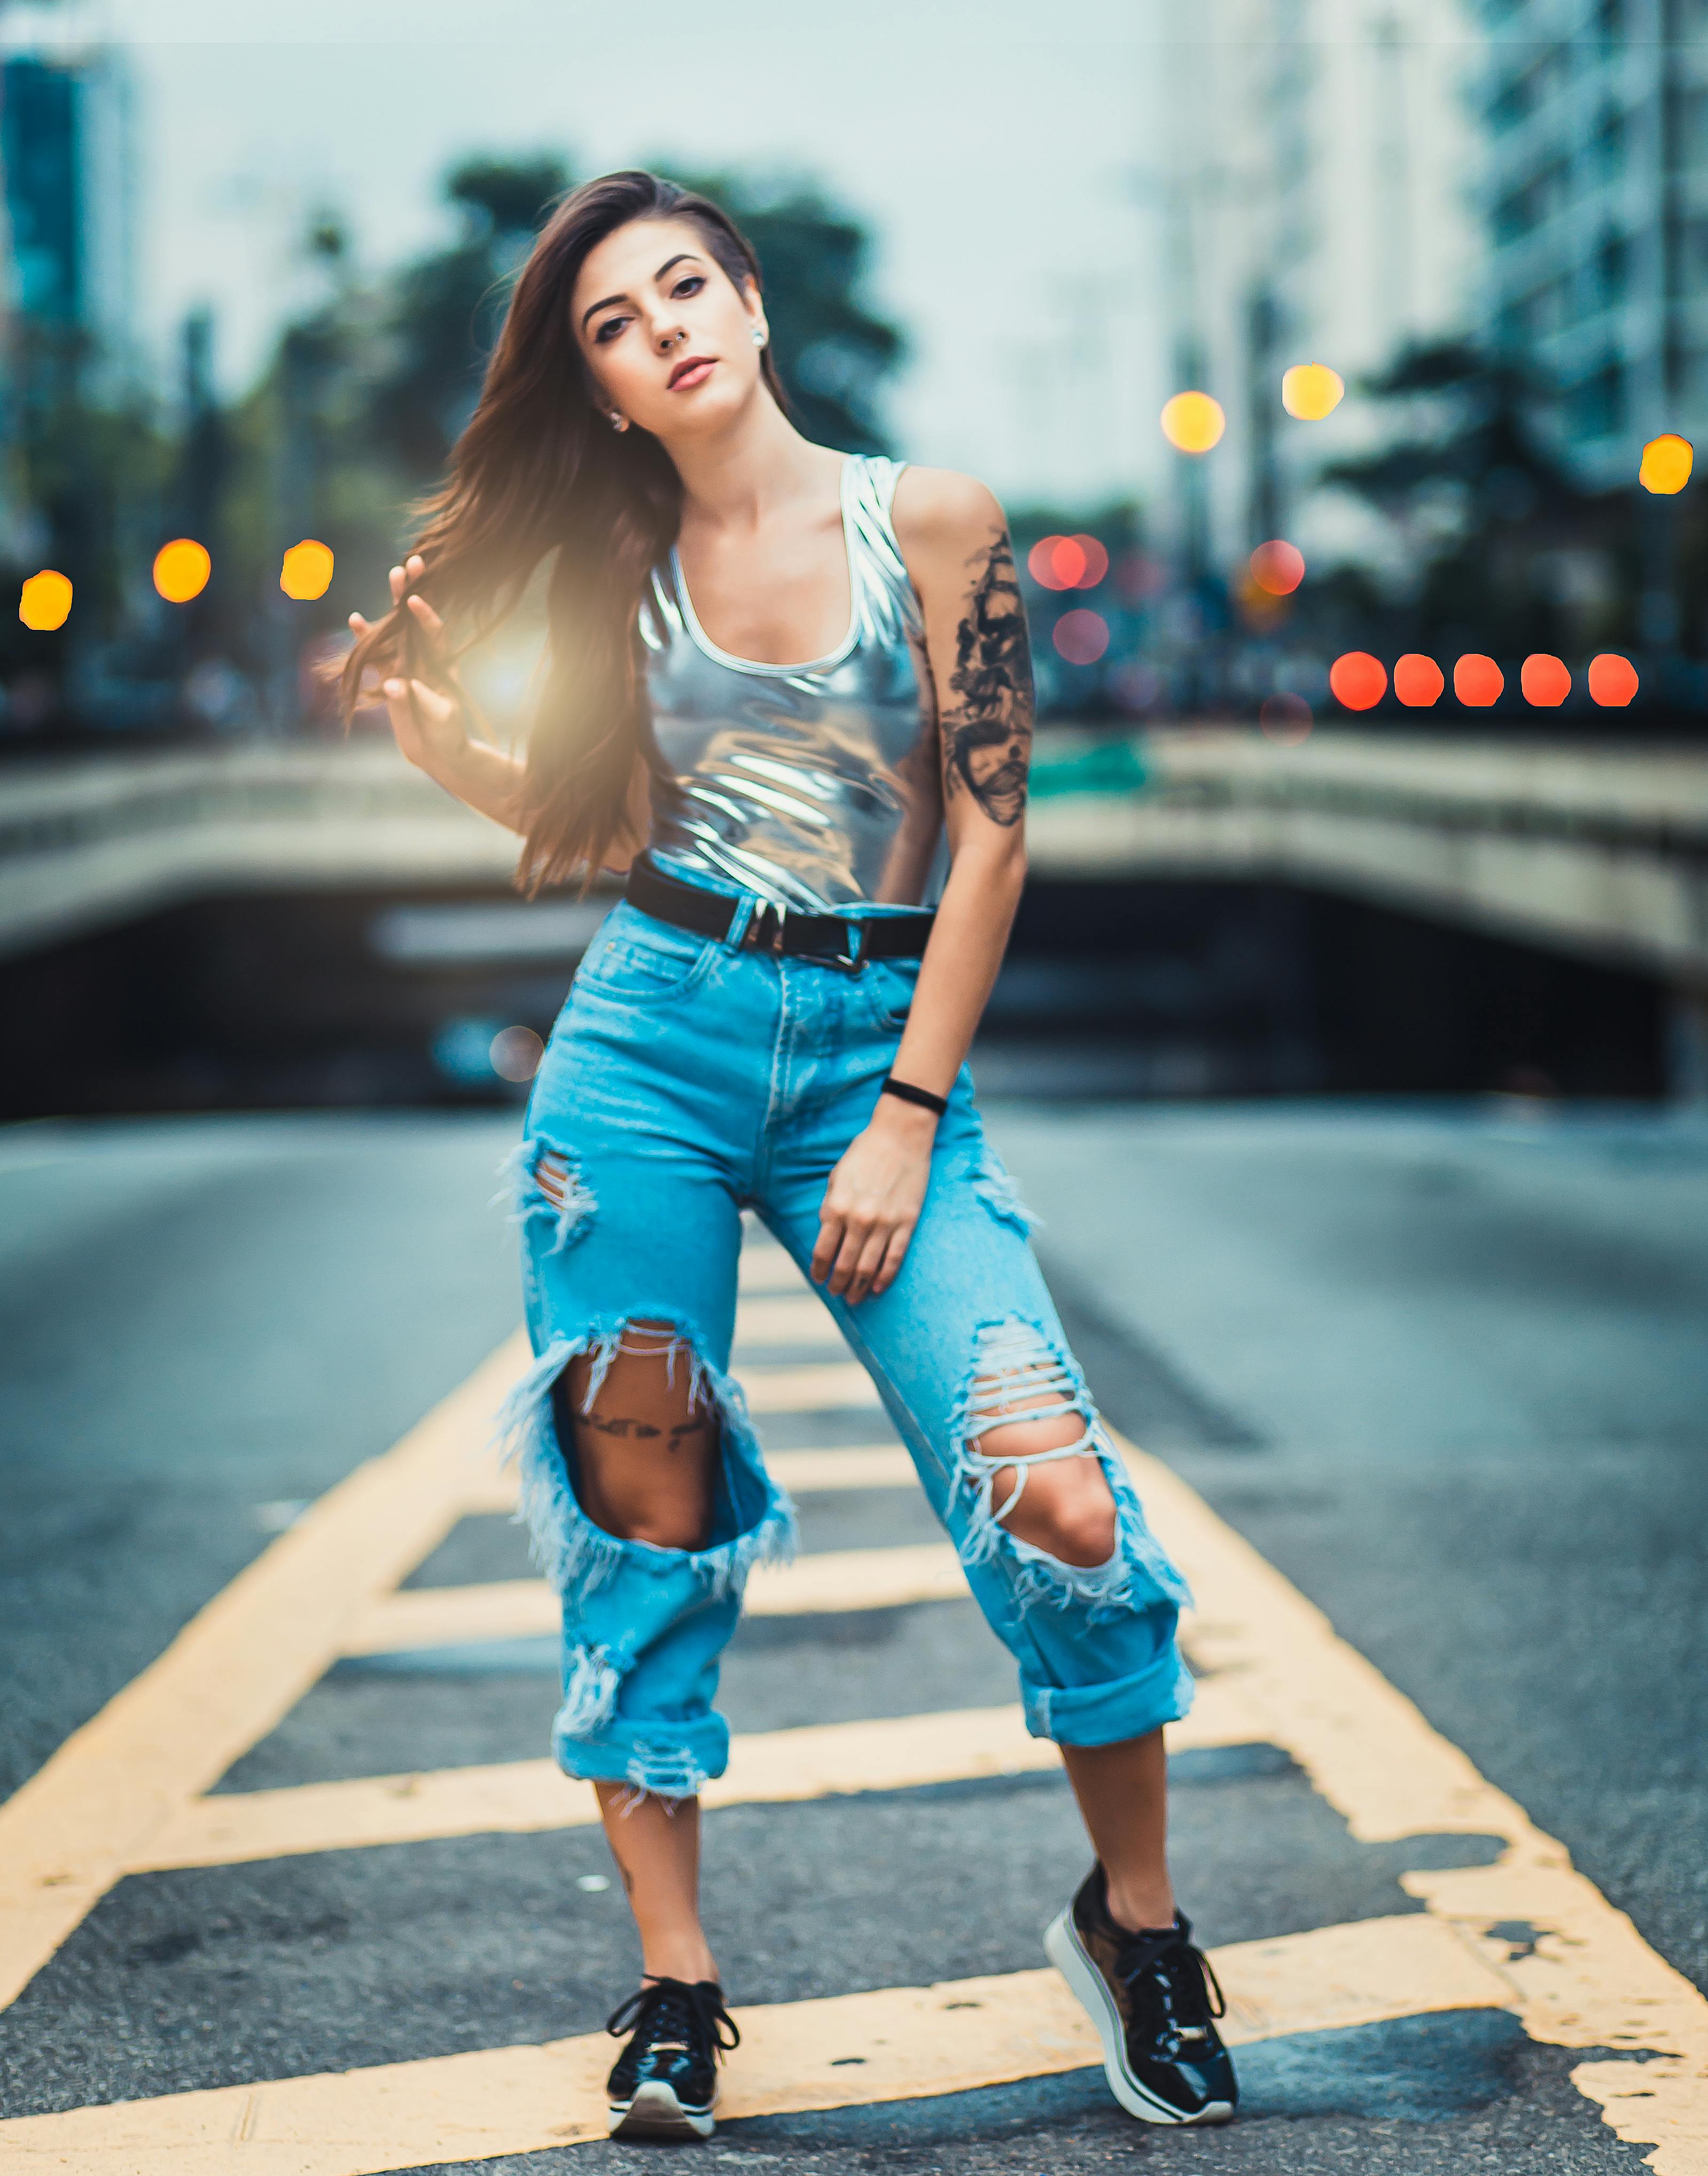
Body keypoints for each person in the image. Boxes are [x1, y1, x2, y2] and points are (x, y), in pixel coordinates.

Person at [344, 169, 1235, 2143]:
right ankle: (675, 1986)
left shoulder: (927, 518)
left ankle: (1136, 1921)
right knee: (639, 1503)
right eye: (612, 322)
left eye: (685, 284)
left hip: (870, 1052)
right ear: (600, 391)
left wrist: (907, 1116)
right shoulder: (615, 566)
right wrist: (443, 749)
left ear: (747, 302)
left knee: (1054, 1492)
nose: (664, 324)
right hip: (645, 1044)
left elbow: (989, 833)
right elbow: (612, 828)